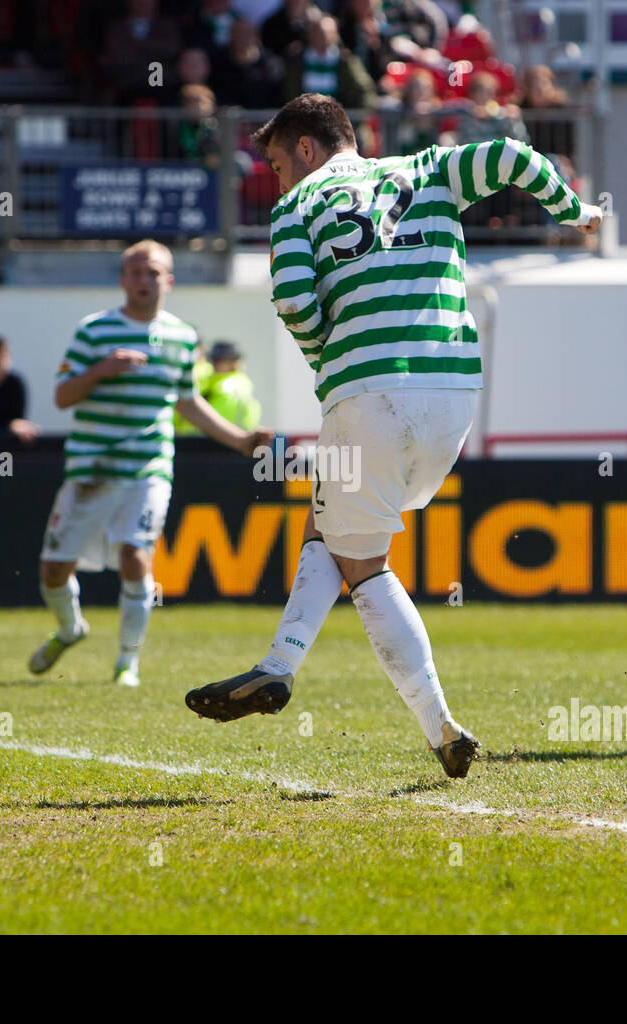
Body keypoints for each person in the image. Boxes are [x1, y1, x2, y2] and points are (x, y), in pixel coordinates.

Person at [184, 93, 600, 778]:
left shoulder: (297, 207)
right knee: (332, 517)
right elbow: (509, 155)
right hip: (454, 394)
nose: (279, 180)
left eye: (280, 165)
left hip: (368, 392)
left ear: (308, 151)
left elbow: (291, 298)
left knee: (364, 564)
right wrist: (572, 210)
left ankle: (440, 727)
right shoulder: (429, 167)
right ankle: (278, 663)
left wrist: (330, 360)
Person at [29, 240, 274, 688]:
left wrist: (240, 441)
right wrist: (101, 370)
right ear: (123, 280)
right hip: (91, 470)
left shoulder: (181, 338)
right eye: (136, 273)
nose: (144, 281)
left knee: (135, 555)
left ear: (169, 281)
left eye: (153, 273)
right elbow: (62, 396)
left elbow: (188, 402)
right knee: (52, 571)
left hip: (148, 469)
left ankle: (128, 663)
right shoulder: (94, 331)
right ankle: (70, 629)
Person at [202, 341, 262, 429]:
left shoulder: (230, 384)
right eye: (214, 359)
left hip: (224, 435)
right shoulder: (213, 380)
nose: (214, 363)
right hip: (225, 435)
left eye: (220, 360)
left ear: (233, 362)